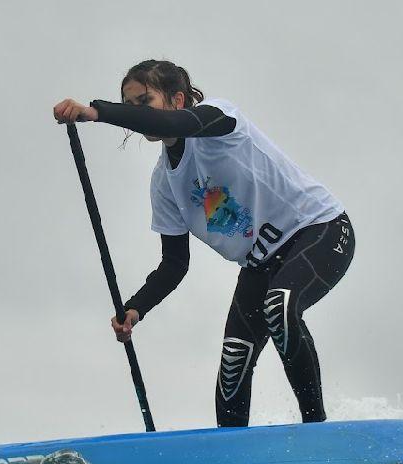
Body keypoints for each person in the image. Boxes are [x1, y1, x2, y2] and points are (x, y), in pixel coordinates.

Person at [52, 59, 354, 427]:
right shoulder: (164, 183)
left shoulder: (220, 120)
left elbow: (170, 124)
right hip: (260, 263)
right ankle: (230, 456)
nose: (135, 114)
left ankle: (317, 430)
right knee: (234, 359)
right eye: (128, 105)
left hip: (318, 229)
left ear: (178, 100)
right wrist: (135, 308)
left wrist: (96, 112)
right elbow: (174, 264)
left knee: (280, 306)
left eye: (143, 102)